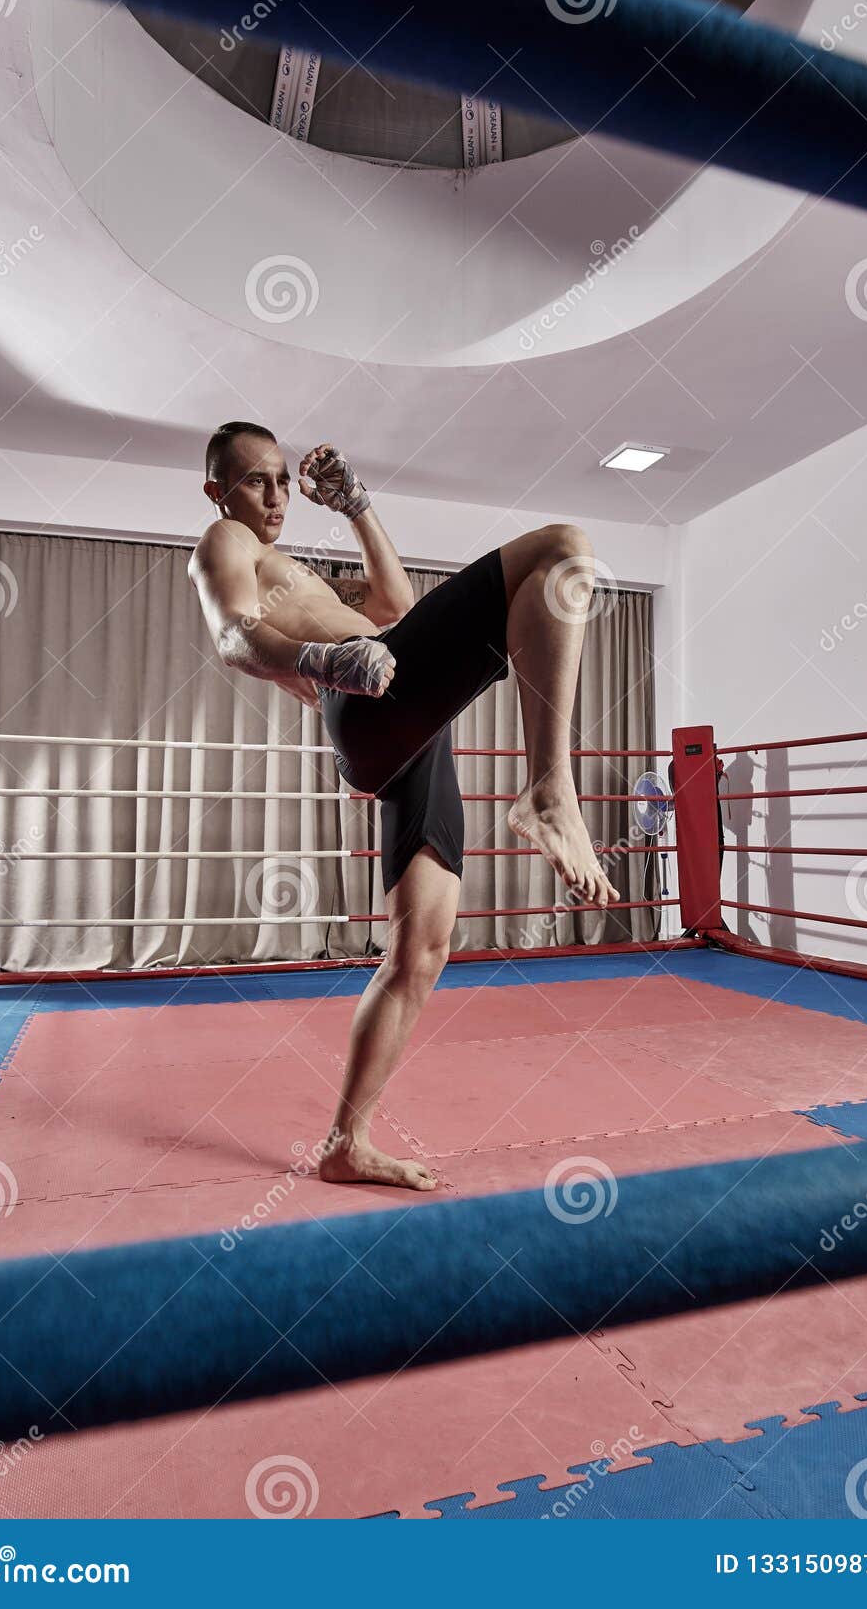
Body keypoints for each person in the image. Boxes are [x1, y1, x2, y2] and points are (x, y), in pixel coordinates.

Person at [190, 421, 618, 1190]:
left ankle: (345, 1144)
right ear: (219, 490)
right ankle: (550, 787)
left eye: (284, 480)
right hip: (369, 704)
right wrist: (324, 657)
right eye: (257, 480)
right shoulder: (226, 543)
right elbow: (233, 636)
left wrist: (355, 507)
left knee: (419, 955)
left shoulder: (296, 569)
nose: (277, 495)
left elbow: (393, 601)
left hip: (412, 741)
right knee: (562, 551)